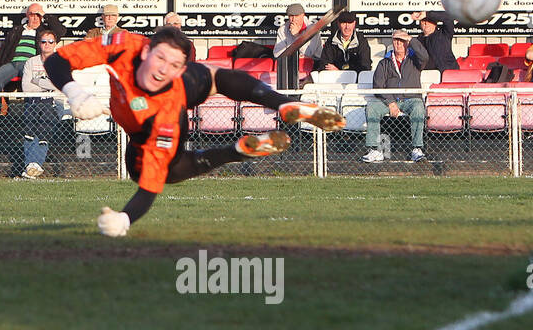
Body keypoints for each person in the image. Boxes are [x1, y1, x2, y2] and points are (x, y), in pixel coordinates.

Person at [44, 27, 346, 237]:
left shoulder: (167, 112)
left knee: (168, 172)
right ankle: (279, 107)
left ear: (179, 70)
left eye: (173, 64)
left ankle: (241, 145)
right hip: (179, 87)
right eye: (160, 58)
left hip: (164, 108)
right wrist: (73, 91)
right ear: (146, 49)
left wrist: (124, 219)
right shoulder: (123, 45)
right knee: (216, 77)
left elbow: (150, 187)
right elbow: (59, 59)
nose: (163, 68)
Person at [362, 30, 431, 163]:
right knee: (372, 108)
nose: (398, 43)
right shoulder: (384, 62)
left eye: (401, 40)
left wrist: (411, 39)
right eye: (395, 40)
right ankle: (375, 150)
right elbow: (378, 86)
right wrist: (390, 102)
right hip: (389, 100)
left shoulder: (415, 61)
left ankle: (417, 148)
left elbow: (425, 56)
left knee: (418, 107)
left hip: (411, 99)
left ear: (407, 43)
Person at [20, 29, 66, 178]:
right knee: (29, 133)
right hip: (33, 101)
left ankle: (32, 165)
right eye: (44, 41)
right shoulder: (31, 62)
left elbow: (60, 85)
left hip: (53, 102)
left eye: (50, 42)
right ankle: (34, 167)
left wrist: (37, 80)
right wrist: (47, 84)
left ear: (55, 44)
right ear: (39, 44)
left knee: (43, 128)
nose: (47, 45)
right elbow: (26, 87)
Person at [0, 3, 67, 91]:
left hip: (30, 64)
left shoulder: (44, 32)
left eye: (38, 15)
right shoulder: (16, 30)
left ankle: (29, 105)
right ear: (27, 15)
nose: (35, 18)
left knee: (30, 84)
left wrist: (44, 14)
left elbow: (61, 31)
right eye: (32, 15)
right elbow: (3, 50)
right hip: (12, 63)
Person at [274, 3, 323, 90]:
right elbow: (277, 53)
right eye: (291, 16)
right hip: (290, 65)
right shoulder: (283, 29)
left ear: (303, 15)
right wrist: (294, 52)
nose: (293, 19)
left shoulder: (313, 29)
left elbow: (309, 53)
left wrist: (297, 36)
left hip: (314, 65)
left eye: (296, 16)